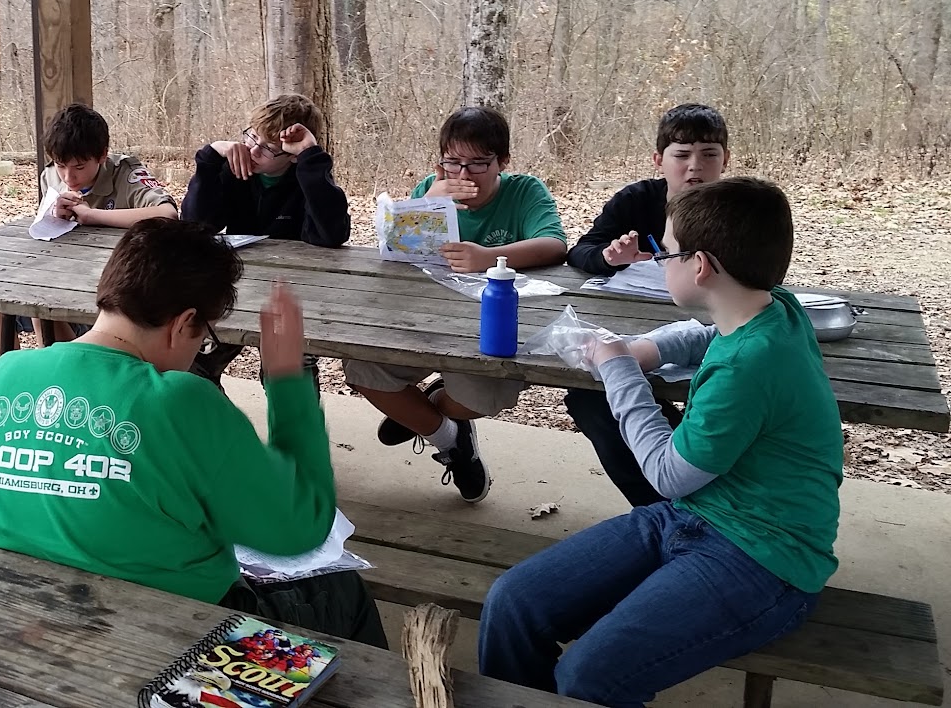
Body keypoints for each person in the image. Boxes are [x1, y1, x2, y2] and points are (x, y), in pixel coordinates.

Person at [478, 178, 842, 707]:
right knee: (513, 602)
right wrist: (641, 347)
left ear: (701, 267)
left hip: (765, 557)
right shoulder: (772, 306)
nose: (658, 261)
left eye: (665, 253)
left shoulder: (751, 365)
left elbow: (667, 472)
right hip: (692, 514)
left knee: (589, 675)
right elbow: (707, 332)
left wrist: (619, 370)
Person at [0, 218, 386, 646]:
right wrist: (287, 379)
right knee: (340, 589)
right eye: (206, 335)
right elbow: (301, 530)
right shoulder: (179, 399)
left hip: (9, 616)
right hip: (159, 640)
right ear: (184, 323)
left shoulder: (5, 371)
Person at [342, 106, 566, 503]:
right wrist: (427, 203)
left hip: (492, 326)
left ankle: (425, 410)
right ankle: (451, 439)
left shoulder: (524, 191)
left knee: (478, 398)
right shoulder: (432, 187)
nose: (463, 175)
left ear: (503, 162)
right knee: (363, 367)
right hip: (425, 318)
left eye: (479, 164)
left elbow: (554, 244)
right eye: (453, 163)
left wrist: (489, 257)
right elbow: (396, 253)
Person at [564, 103, 730, 507]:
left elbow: (760, 281)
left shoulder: (736, 210)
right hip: (636, 322)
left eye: (709, 155)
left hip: (720, 335)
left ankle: (694, 499)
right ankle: (660, 507)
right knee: (587, 390)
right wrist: (609, 257)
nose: (695, 167)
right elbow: (580, 251)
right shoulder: (637, 201)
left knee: (705, 396)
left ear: (726, 161)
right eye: (681, 154)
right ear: (659, 160)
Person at [0, 102, 177, 358]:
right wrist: (55, 215)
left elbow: (168, 215)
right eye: (61, 165)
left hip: (117, 288)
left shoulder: (126, 173)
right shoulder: (49, 176)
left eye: (79, 167)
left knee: (43, 314)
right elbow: (46, 232)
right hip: (63, 276)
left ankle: (68, 379)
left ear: (102, 155)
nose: (68, 177)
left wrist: (93, 215)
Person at [180, 93, 350, 389]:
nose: (254, 151)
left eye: (268, 149)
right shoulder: (234, 169)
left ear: (292, 154)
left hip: (294, 288)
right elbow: (196, 226)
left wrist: (310, 158)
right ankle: (219, 426)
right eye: (252, 138)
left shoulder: (307, 177)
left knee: (287, 371)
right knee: (191, 360)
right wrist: (210, 157)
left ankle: (293, 433)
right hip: (237, 282)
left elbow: (331, 235)